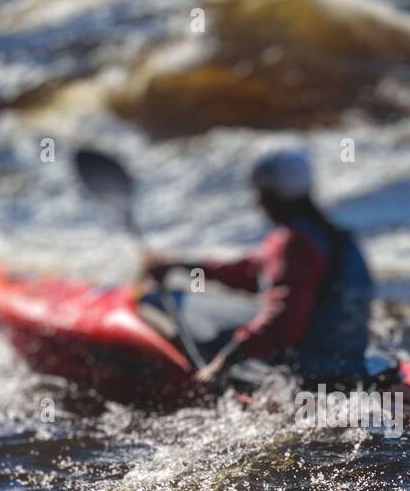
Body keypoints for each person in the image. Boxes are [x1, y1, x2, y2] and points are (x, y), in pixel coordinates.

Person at [143, 150, 373, 388]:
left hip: (316, 379)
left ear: (269, 196)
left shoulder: (293, 243)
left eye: (260, 194)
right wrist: (182, 267)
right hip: (351, 365)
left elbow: (282, 324)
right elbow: (252, 272)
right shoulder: (338, 238)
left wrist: (224, 362)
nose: (258, 202)